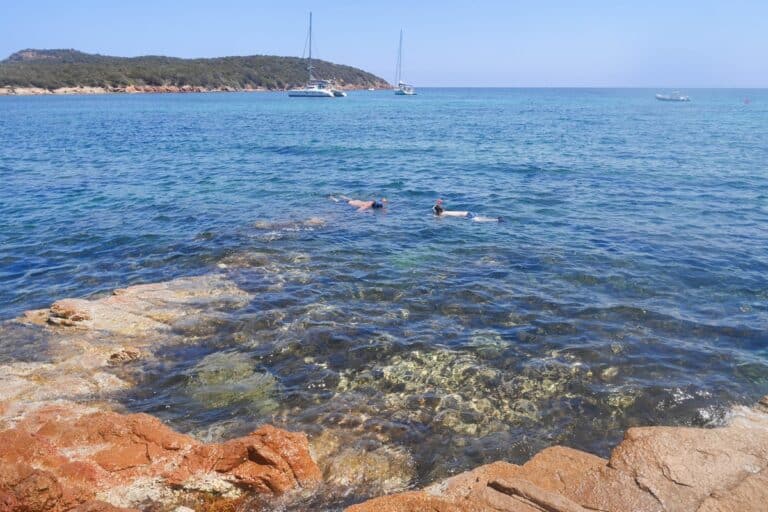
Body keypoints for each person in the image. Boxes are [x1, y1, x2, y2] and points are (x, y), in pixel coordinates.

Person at [432, 198, 502, 222]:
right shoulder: (444, 211)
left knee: (480, 220)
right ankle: (496, 219)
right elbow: (437, 207)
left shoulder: (443, 214)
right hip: (468, 213)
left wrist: (434, 217)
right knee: (480, 218)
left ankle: (496, 220)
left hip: (467, 215)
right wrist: (438, 203)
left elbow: (438, 216)